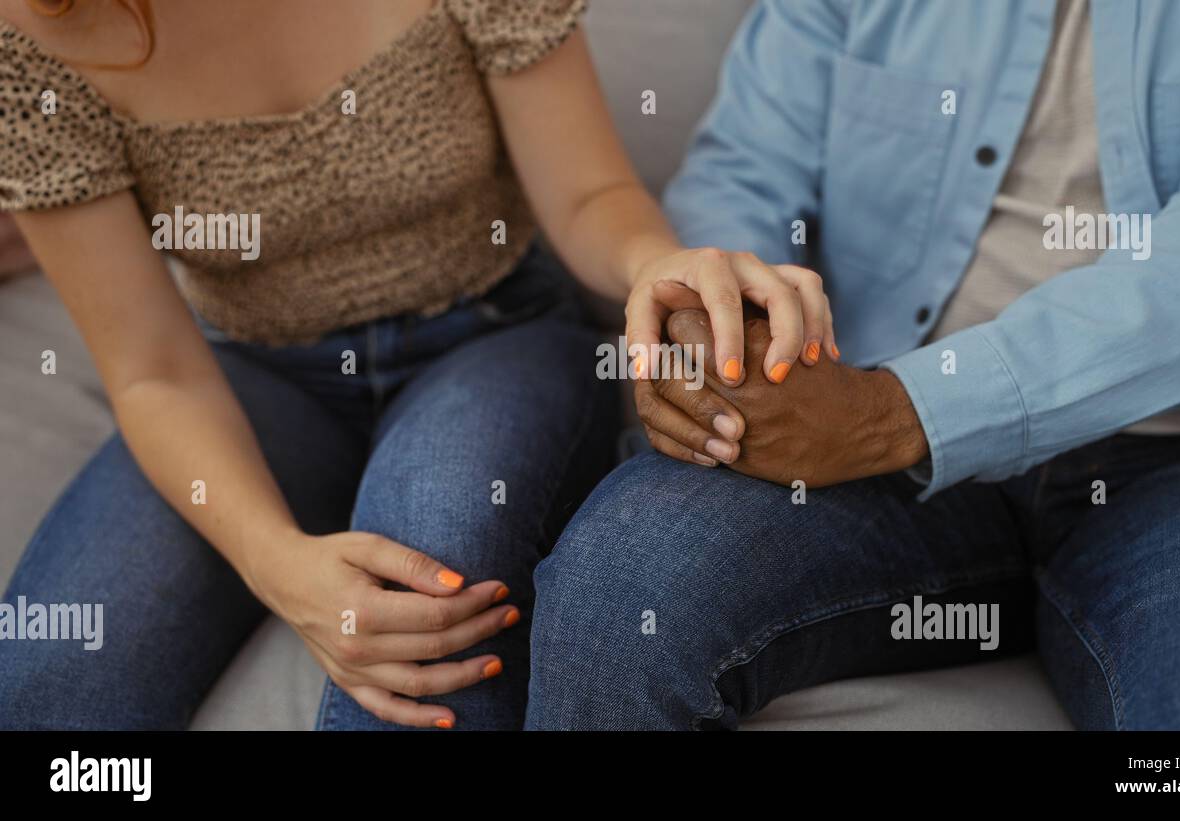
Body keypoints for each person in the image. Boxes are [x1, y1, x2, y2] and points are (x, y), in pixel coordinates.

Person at [0, 0, 830, 729]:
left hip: (493, 333)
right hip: (259, 373)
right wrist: (277, 563)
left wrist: (656, 263)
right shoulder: (32, 38)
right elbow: (154, 371)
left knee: (429, 603)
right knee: (52, 677)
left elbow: (587, 197)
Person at [527, 0, 1180, 730]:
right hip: (858, 421)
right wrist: (730, 330)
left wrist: (899, 413)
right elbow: (745, 175)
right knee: (619, 592)